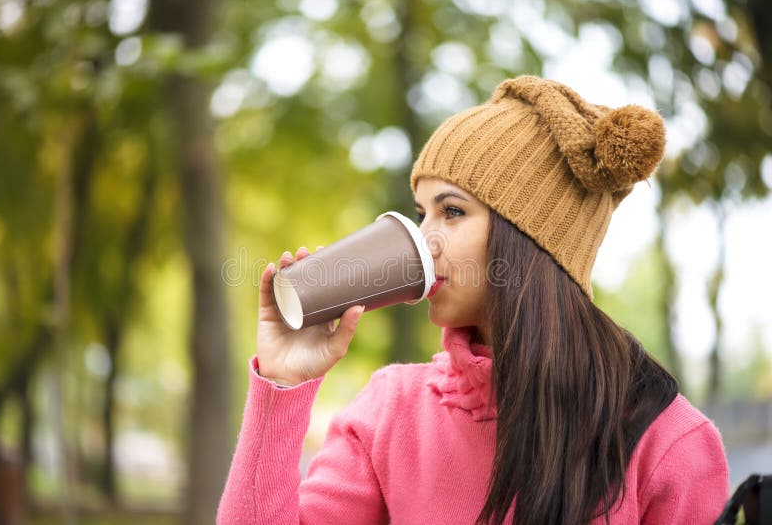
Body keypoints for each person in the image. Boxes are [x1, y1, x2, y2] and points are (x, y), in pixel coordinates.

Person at [216, 76, 730, 524]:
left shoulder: (667, 442)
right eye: (421, 213)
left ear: (532, 240)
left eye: (453, 212)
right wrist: (282, 383)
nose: (425, 240)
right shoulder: (390, 411)